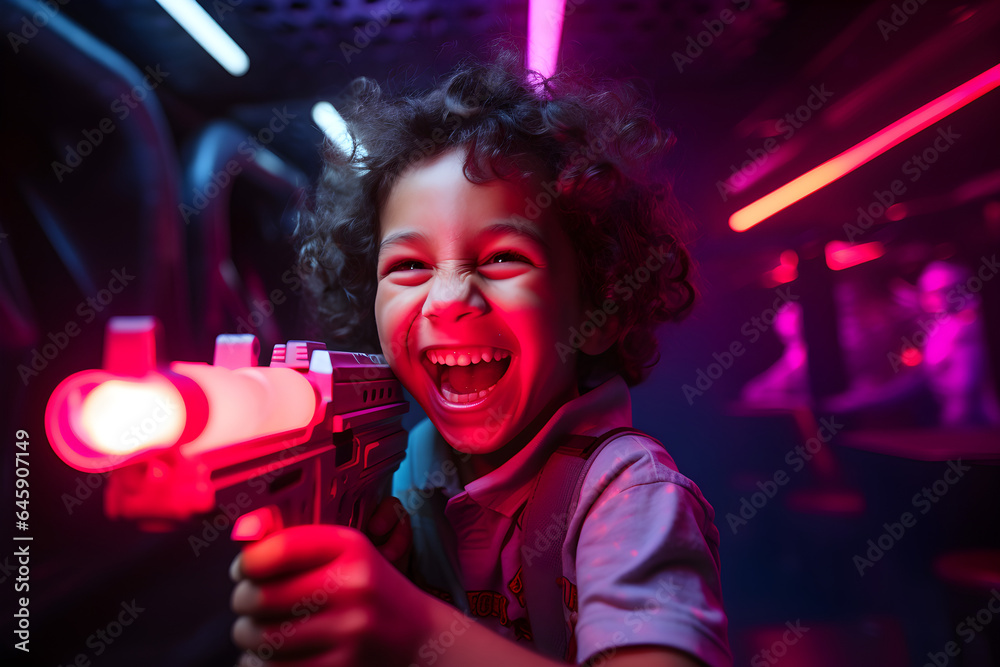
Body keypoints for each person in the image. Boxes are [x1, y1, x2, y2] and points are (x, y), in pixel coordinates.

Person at [228, 46, 731, 667]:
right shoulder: (413, 468)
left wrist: (410, 629)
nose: (447, 299)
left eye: (501, 258)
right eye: (408, 266)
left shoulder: (628, 492)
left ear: (597, 310)